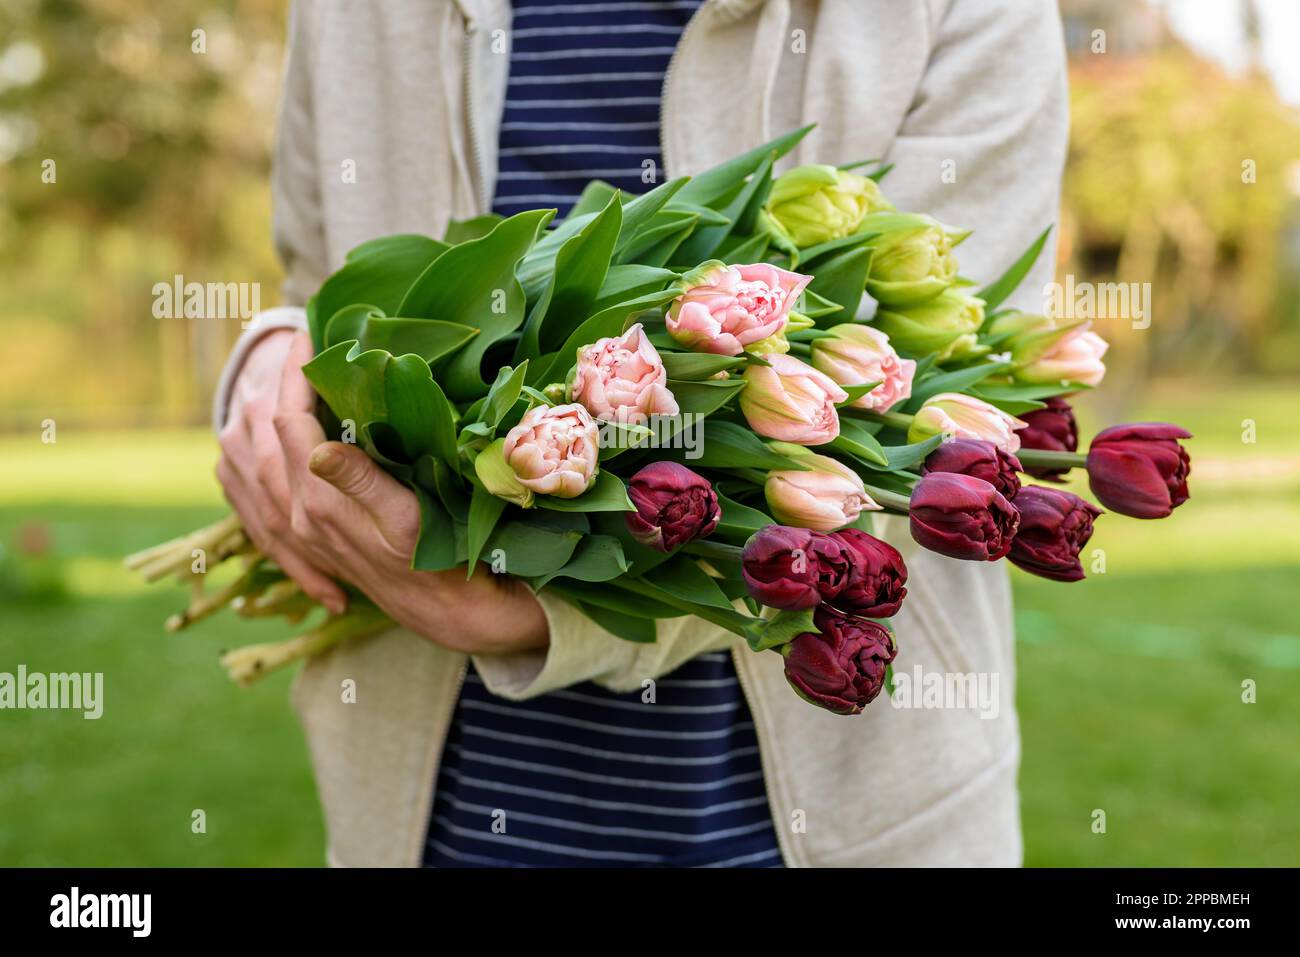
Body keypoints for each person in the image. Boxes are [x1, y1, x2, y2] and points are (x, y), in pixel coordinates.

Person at [214, 0, 1068, 867]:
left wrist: (535, 616)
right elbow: (322, 285)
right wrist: (266, 365)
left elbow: (946, 408)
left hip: (836, 816)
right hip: (438, 811)